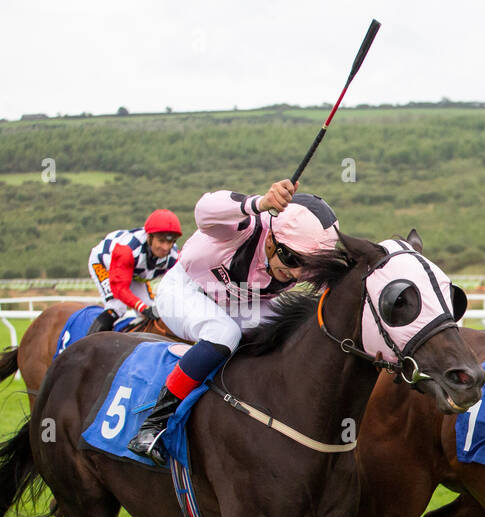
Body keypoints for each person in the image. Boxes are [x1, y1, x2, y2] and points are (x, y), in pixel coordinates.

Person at [125, 180, 340, 465]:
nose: (296, 274)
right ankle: (154, 424)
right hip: (187, 289)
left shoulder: (295, 263)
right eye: (290, 258)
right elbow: (204, 208)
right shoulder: (245, 226)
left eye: (308, 265)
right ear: (272, 237)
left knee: (292, 336)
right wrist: (258, 204)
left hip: (242, 300)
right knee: (223, 333)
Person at [86, 209, 183, 333]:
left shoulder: (174, 256)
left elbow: (179, 285)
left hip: (134, 273)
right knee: (117, 307)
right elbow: (120, 289)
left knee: (151, 309)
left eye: (170, 242)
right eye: (161, 241)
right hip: (105, 265)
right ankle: (89, 345)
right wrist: (141, 307)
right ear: (150, 237)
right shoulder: (127, 250)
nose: (165, 247)